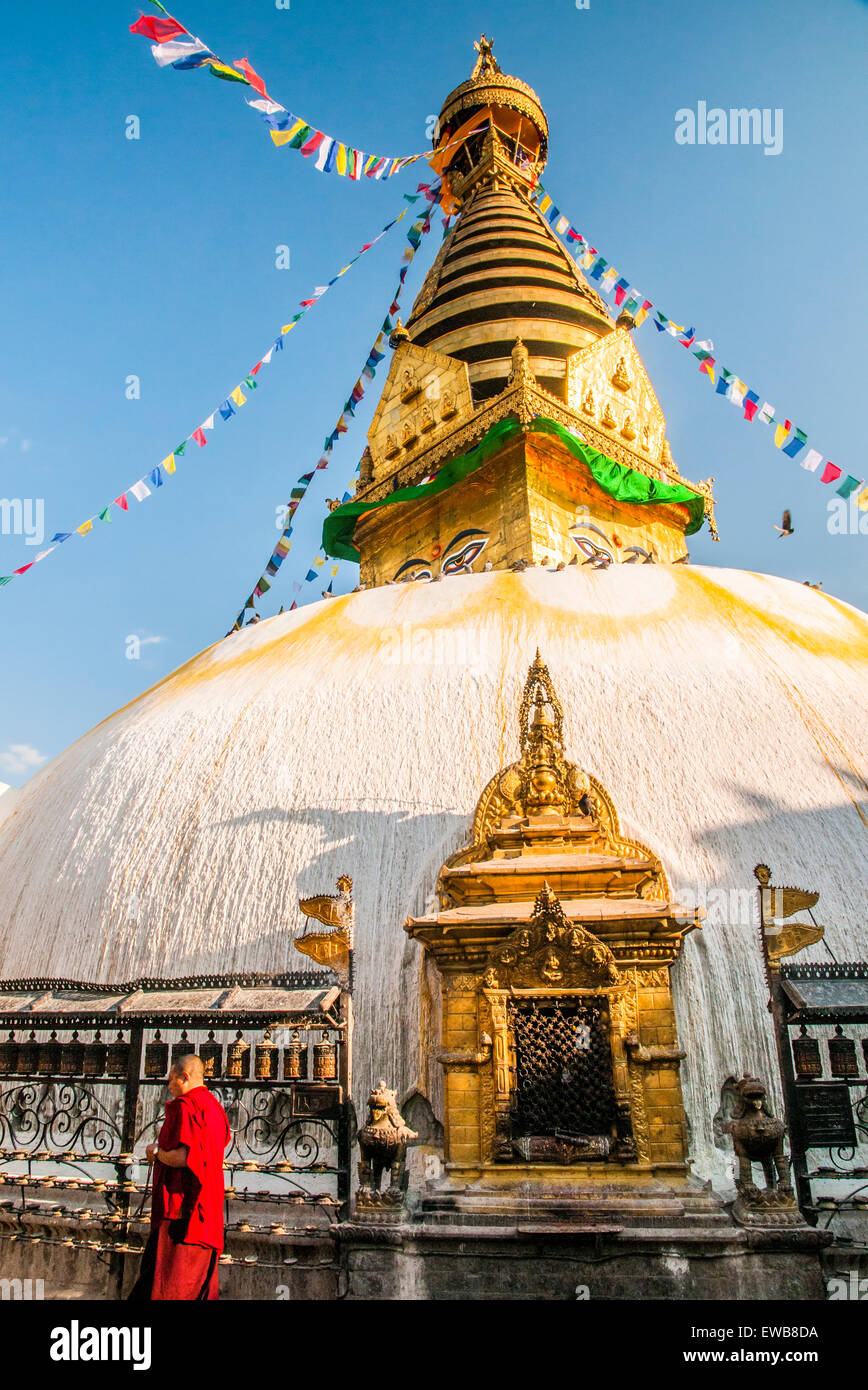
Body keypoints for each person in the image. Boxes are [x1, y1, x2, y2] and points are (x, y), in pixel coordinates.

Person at [129, 1054, 231, 1301]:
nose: (168, 1086)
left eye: (171, 1079)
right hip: (207, 1213)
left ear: (185, 1077)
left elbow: (187, 1157)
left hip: (180, 1214)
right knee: (196, 1286)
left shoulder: (187, 1107)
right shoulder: (215, 1108)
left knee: (166, 1286)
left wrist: (157, 1153)